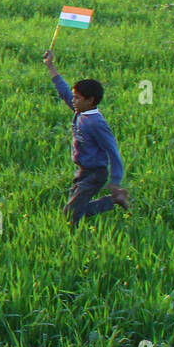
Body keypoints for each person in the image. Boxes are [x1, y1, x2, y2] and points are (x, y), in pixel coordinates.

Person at [42, 49, 129, 226]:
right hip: (82, 171)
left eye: (78, 98)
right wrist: (50, 65)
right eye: (74, 97)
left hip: (95, 173)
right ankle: (114, 200)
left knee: (70, 213)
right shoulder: (80, 111)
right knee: (75, 211)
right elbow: (63, 90)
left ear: (91, 100)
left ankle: (111, 201)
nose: (73, 100)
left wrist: (115, 181)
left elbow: (113, 151)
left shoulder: (96, 123)